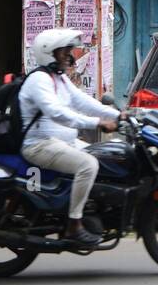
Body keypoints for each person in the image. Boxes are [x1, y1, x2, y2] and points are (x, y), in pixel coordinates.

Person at [20, 28, 121, 246]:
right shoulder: (39, 80)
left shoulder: (58, 78)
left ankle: (90, 209)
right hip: (39, 145)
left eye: (69, 50)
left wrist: (121, 114)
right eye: (64, 51)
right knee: (89, 165)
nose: (70, 55)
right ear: (49, 53)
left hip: (62, 143)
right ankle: (73, 225)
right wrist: (97, 123)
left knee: (106, 157)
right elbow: (57, 113)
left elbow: (84, 102)